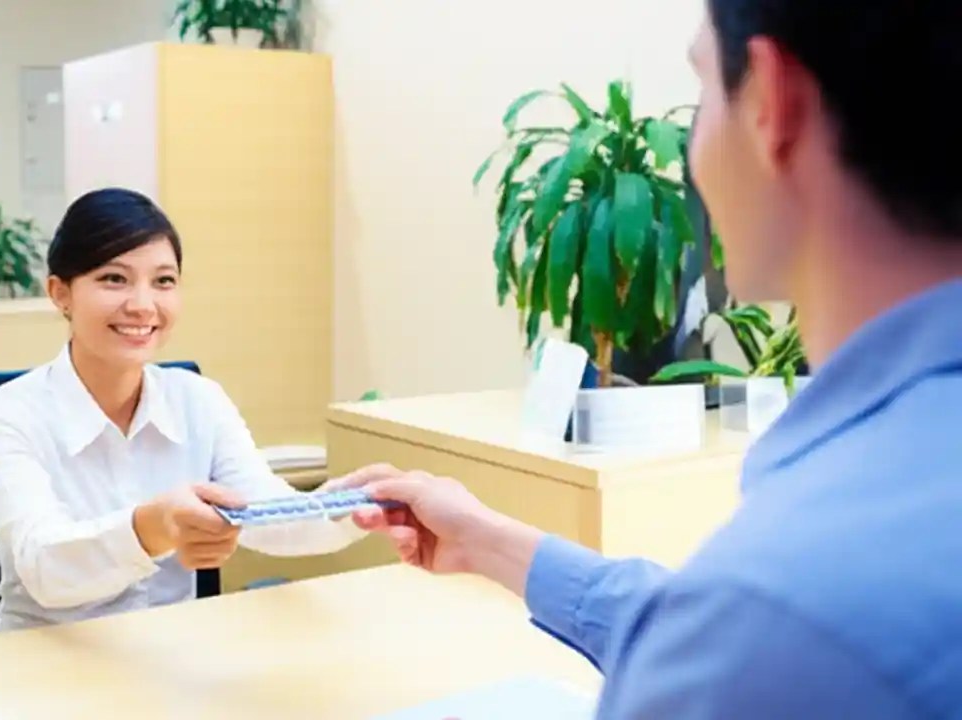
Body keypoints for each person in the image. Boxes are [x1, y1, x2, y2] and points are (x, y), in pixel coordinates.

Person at [339, 2, 962, 718]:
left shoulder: (777, 614)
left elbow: (747, 640)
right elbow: (713, 631)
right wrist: (488, 541)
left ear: (769, 102)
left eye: (702, 92)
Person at [0, 188, 363, 632]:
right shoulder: (2, 416)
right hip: (41, 661)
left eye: (164, 281)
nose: (143, 305)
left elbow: (268, 514)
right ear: (61, 294)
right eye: (114, 279)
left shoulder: (198, 399)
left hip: (171, 657)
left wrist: (361, 502)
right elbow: (44, 568)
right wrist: (155, 526)